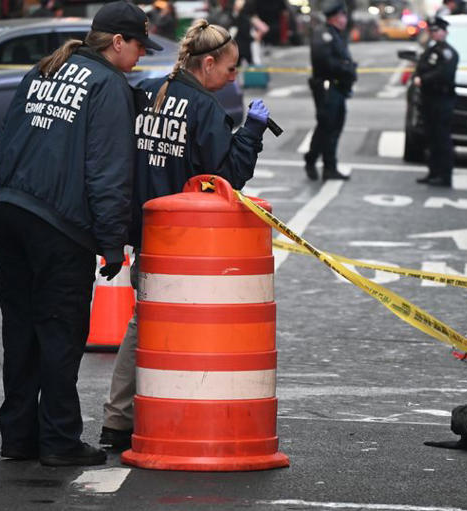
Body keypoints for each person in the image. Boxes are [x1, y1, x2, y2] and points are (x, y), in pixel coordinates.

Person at [0, 0, 162, 467]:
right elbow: (107, 172)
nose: (142, 55)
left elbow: (7, 136)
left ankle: (18, 437)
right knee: (61, 333)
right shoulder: (108, 85)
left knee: (20, 330)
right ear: (118, 42)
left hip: (11, 210)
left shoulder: (46, 69)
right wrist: (111, 243)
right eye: (140, 46)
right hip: (59, 224)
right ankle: (60, 441)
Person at [99, 18, 271, 449]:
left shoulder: (150, 93)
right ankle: (157, 416)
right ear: (208, 63)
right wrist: (250, 132)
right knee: (179, 327)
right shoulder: (205, 109)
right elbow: (226, 177)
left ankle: (121, 420)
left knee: (145, 322)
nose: (234, 79)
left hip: (145, 232)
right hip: (189, 241)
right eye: (230, 70)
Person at [303, 0, 357, 181]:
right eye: (343, 15)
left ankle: (329, 166)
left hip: (337, 87)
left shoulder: (335, 34)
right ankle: (313, 160)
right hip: (328, 87)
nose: (345, 19)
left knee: (334, 127)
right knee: (327, 126)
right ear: (335, 17)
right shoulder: (324, 34)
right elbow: (325, 62)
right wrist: (346, 69)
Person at [414, 12, 458, 187]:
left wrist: (423, 79)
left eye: (438, 31)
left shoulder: (448, 53)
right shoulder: (430, 51)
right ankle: (433, 172)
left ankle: (445, 175)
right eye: (432, 31)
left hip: (442, 99)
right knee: (431, 137)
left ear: (445, 32)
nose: (434, 34)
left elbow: (443, 74)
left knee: (442, 138)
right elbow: (420, 67)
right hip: (429, 99)